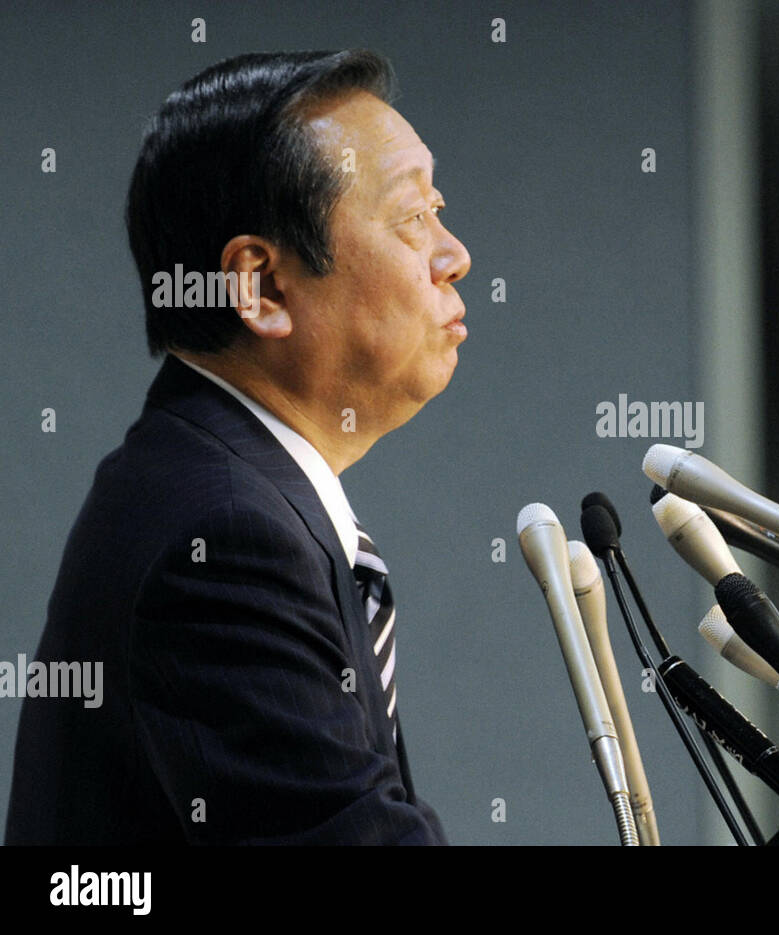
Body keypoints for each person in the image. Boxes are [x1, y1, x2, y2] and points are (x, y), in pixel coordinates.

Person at [5, 49, 469, 844]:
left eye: (438, 208)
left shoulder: (214, 489)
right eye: (411, 218)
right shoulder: (222, 541)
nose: (453, 255)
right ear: (258, 288)